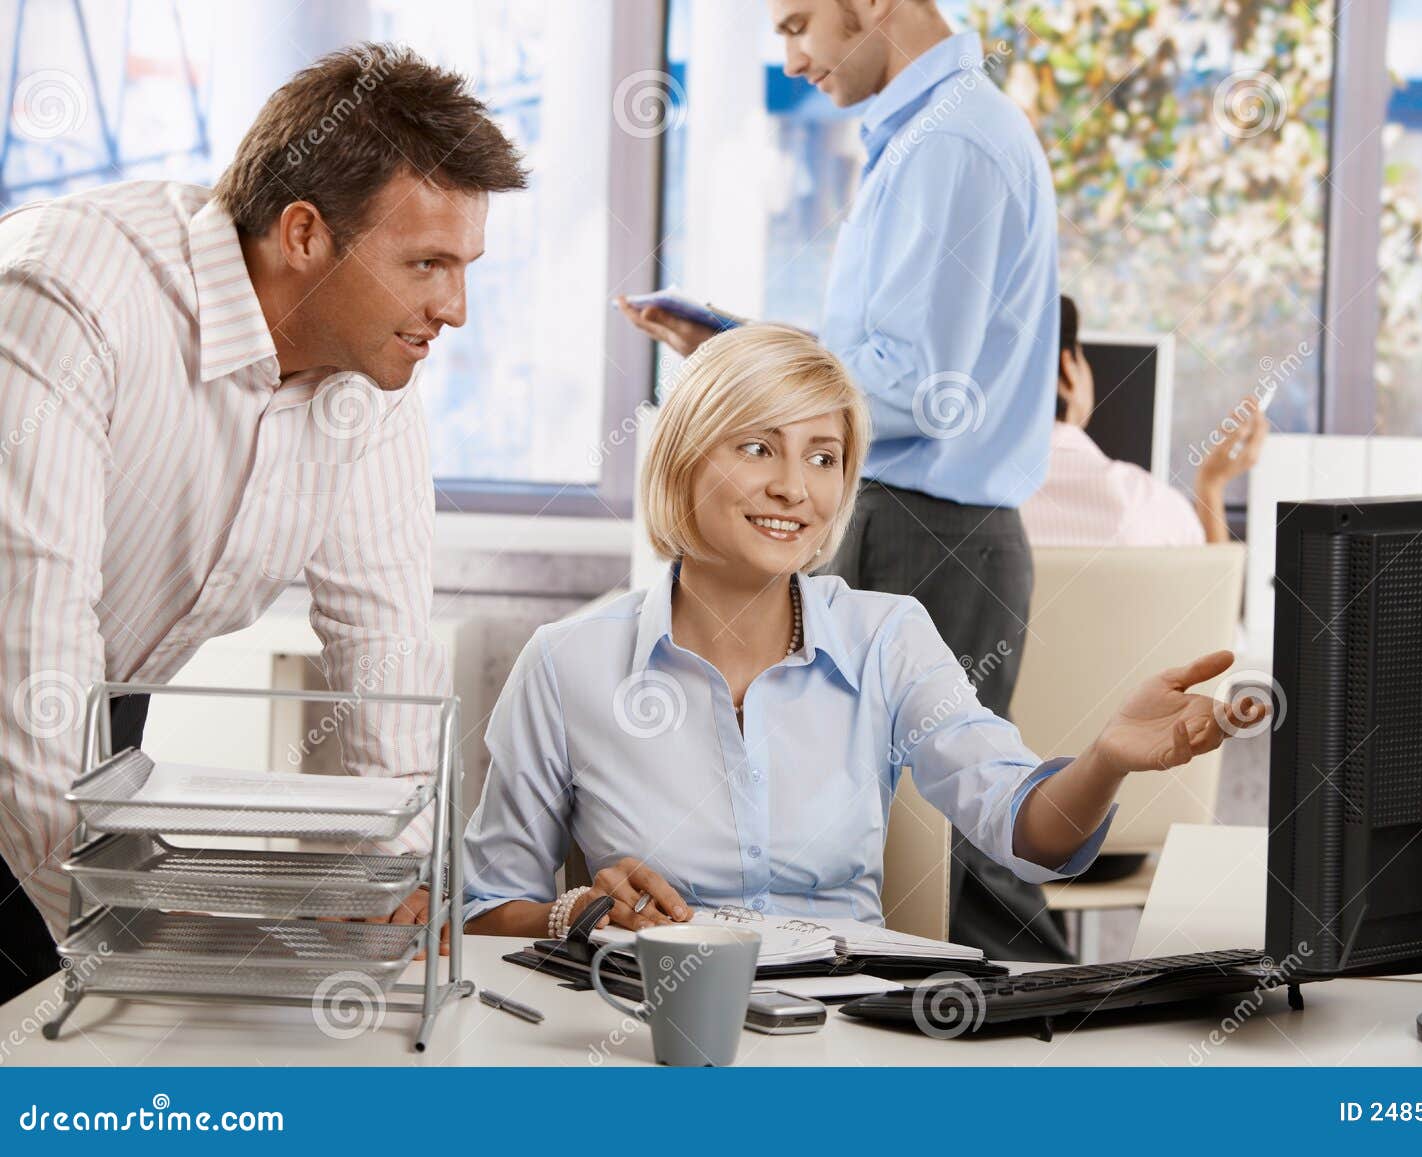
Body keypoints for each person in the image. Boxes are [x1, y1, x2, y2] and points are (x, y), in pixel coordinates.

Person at [0, 43, 526, 1004]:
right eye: (426, 265)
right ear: (302, 235)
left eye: (465, 266)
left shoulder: (368, 367)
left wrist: (393, 892)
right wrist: (162, 938)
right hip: (28, 687)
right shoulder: (69, 295)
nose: (454, 309)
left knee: (106, 1026)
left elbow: (385, 653)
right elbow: (30, 667)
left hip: (94, 710)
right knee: (55, 1029)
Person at [459, 326, 1262, 940]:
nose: (792, 487)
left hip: (840, 1036)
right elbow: (483, 908)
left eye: (824, 457)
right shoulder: (567, 664)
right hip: (653, 1037)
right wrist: (578, 912)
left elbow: (1028, 832)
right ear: (682, 461)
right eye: (756, 447)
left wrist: (1105, 761)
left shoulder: (887, 635)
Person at [620, 0, 1068, 961]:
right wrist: (742, 349)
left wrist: (760, 367)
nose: (789, 59)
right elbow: (898, 364)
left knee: (956, 852)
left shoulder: (950, 143)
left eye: (795, 24)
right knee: (923, 848)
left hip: (926, 526)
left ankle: (1068, 1049)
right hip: (922, 518)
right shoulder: (931, 133)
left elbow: (917, 388)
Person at [1022, 297, 1269, 548]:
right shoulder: (1149, 507)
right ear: (1068, 368)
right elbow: (1213, 583)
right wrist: (1211, 485)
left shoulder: (988, 507)